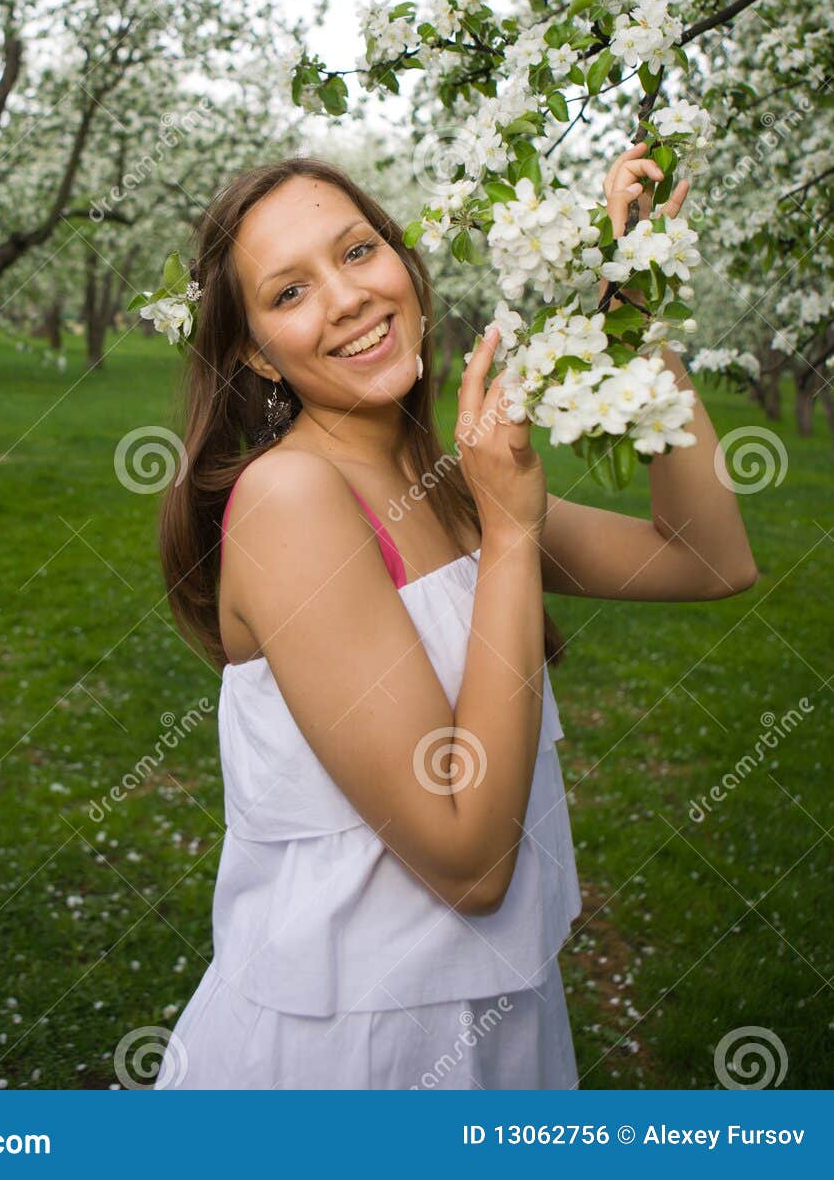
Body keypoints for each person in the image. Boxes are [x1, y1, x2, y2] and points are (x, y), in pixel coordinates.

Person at [151, 151, 758, 1091]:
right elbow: (468, 859)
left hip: (498, 1013)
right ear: (255, 353)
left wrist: (635, 319)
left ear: (406, 263)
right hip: (358, 1052)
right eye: (289, 292)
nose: (348, 298)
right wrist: (513, 537)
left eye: (358, 251)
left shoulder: (448, 484)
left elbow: (708, 556)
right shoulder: (294, 498)